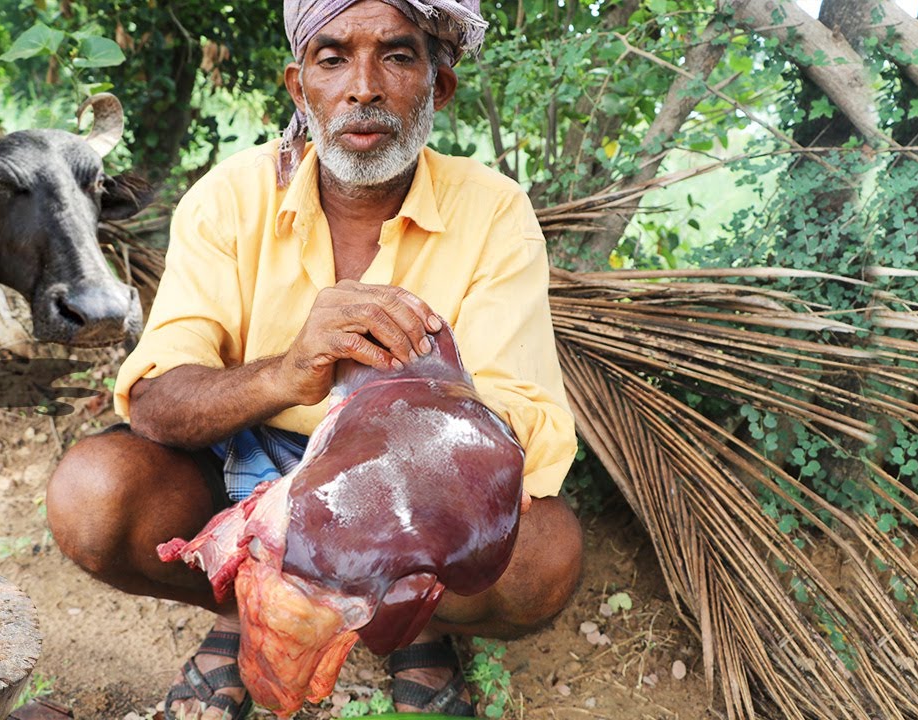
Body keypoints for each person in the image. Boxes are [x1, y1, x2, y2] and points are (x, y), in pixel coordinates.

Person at [46, 1, 584, 717]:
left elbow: (511, 432)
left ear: (438, 88)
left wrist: (371, 442)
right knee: (94, 497)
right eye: (332, 60)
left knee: (542, 563)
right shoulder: (228, 199)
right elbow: (156, 402)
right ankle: (250, 611)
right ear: (299, 88)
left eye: (396, 57)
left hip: (410, 490)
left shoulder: (493, 213)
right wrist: (287, 371)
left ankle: (394, 622)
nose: (363, 87)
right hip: (239, 475)